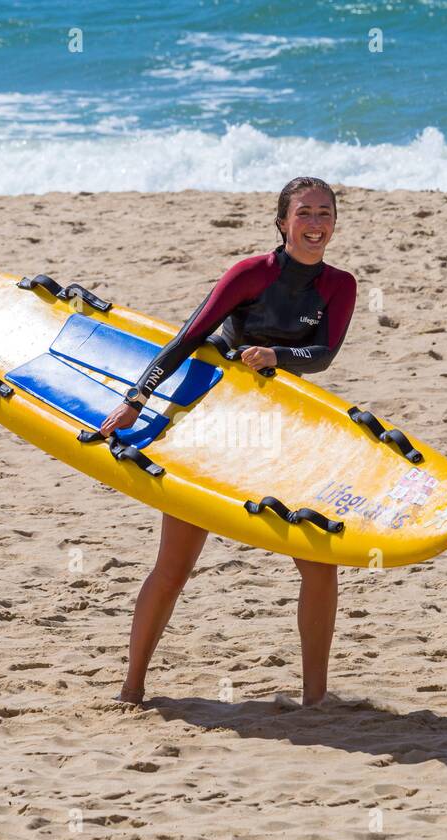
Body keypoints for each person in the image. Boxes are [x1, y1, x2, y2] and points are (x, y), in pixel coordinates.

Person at [99, 177, 358, 707]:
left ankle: (316, 699)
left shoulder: (340, 285)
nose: (315, 224)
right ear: (283, 221)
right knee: (175, 563)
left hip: (277, 427)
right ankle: (132, 688)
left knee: (318, 563)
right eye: (304, 213)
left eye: (324, 213)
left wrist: (276, 358)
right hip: (213, 422)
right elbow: (188, 337)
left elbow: (323, 355)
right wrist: (136, 399)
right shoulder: (250, 274)